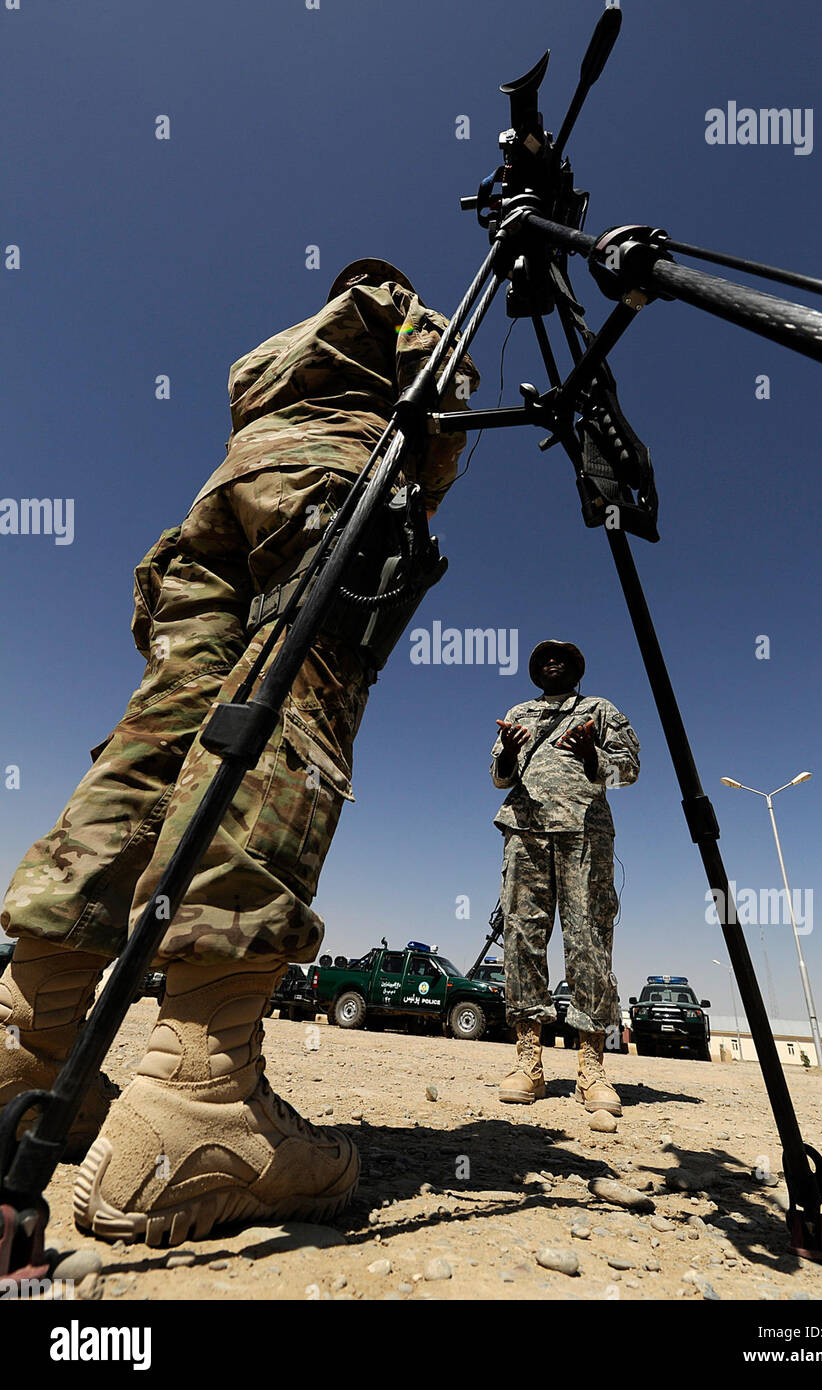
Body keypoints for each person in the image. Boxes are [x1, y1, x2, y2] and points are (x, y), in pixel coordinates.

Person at [0, 258, 479, 1246]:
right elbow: (440, 416)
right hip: (335, 478)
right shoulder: (404, 316)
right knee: (290, 705)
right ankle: (199, 1092)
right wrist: (424, 476)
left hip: (220, 501)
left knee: (157, 737)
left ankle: (27, 1041)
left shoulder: (270, 359)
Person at [490, 639, 640, 1114]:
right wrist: (510, 753)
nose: (551, 662)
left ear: (577, 669)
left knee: (590, 941)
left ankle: (590, 1068)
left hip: (585, 834)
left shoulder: (600, 710)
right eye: (543, 658)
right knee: (521, 937)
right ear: (535, 672)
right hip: (525, 830)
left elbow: (629, 771)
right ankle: (528, 1062)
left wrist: (593, 753)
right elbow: (498, 776)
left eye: (562, 657)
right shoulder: (518, 712)